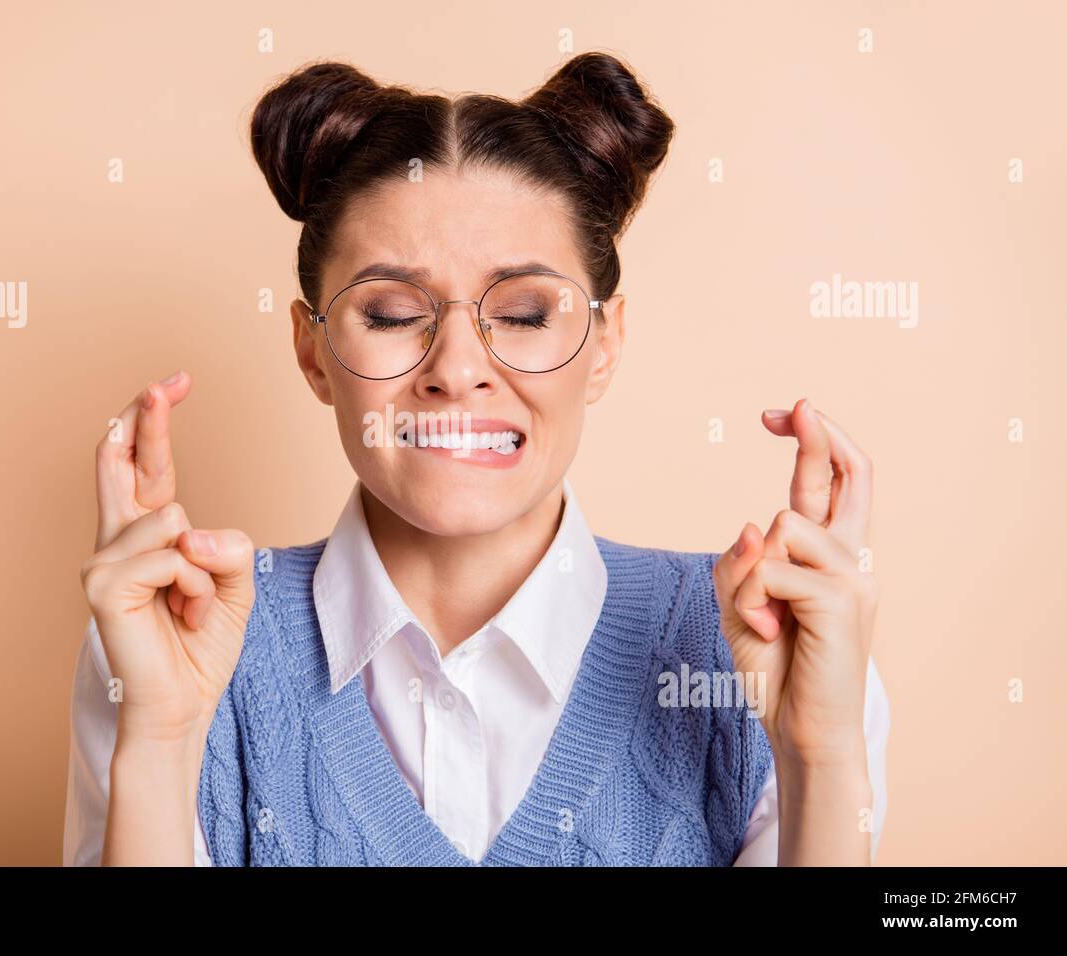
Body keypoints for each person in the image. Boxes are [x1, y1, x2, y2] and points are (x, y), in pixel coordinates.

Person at [64, 51, 889, 866]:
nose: (458, 370)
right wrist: (160, 739)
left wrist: (823, 754)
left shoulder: (774, 653)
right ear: (312, 352)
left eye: (527, 312)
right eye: (389, 314)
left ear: (603, 346)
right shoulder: (179, 645)